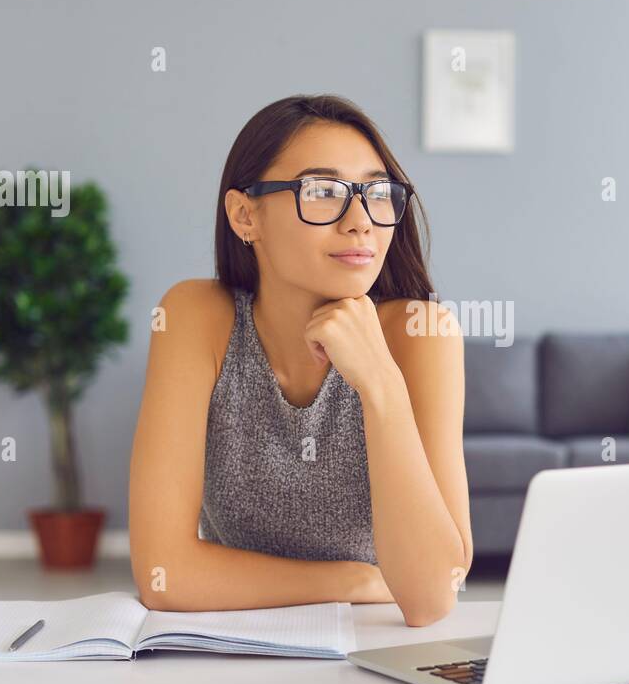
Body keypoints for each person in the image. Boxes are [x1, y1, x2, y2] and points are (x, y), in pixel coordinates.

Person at [129, 94, 471, 626]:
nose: (361, 221)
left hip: (375, 653)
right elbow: (164, 576)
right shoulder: (194, 316)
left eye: (376, 193)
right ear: (246, 216)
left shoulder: (421, 334)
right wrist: (353, 580)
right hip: (233, 647)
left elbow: (431, 597)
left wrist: (380, 383)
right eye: (322, 191)